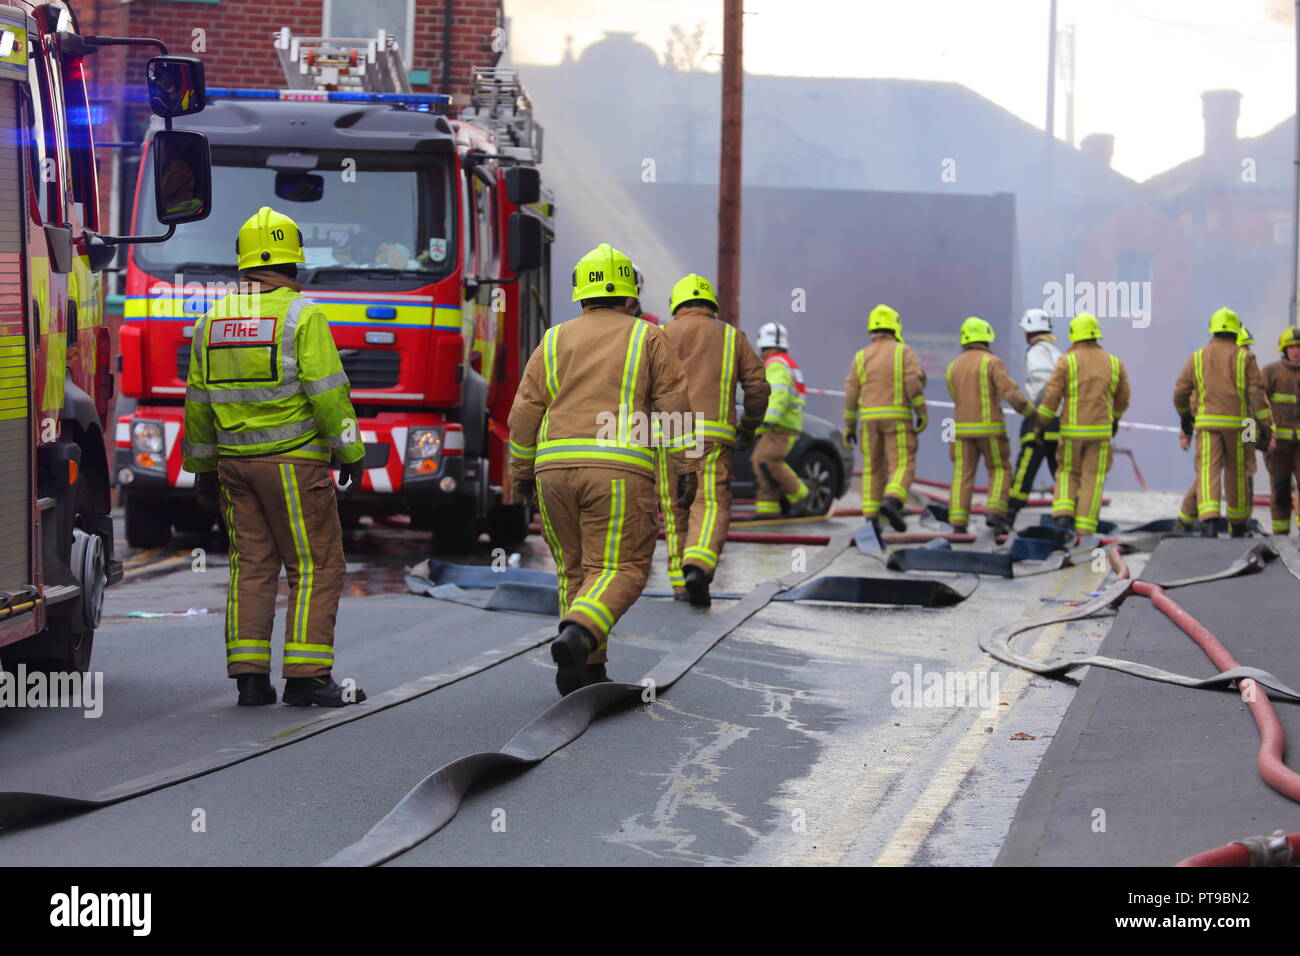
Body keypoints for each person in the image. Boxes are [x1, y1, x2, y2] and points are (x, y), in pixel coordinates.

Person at [182, 206, 368, 707]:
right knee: (315, 565)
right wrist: (350, 451)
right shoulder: (301, 314)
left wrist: (202, 471)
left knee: (253, 564)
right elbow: (329, 393)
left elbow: (197, 403)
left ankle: (250, 677)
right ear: (294, 263)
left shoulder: (211, 320)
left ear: (241, 263)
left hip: (232, 468)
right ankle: (307, 677)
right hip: (293, 463)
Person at [507, 243, 700, 696]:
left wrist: (519, 474)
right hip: (617, 471)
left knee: (575, 570)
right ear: (630, 293)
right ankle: (577, 634)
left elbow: (524, 413)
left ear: (581, 292)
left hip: (552, 471)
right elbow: (673, 403)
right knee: (623, 567)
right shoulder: (648, 337)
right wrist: (686, 464)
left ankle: (584, 670)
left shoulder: (553, 339)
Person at [656, 273, 768, 606]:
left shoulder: (659, 334)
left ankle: (679, 583)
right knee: (709, 502)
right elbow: (758, 387)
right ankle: (699, 565)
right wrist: (748, 427)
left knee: (675, 505)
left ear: (677, 306)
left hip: (667, 436)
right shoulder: (731, 336)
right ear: (712, 306)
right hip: (713, 438)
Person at [1172, 307, 1271, 537]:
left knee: (1210, 471)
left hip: (1212, 425)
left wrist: (1185, 417)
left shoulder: (1198, 357)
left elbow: (1181, 392)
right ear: (1236, 333)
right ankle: (1236, 523)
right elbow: (1257, 394)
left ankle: (1211, 522)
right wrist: (1265, 426)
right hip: (1238, 425)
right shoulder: (1245, 358)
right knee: (1237, 471)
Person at [1033, 312, 1130, 537]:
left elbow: (1052, 397)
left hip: (1071, 433)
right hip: (1100, 434)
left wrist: (1041, 424)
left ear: (1074, 335)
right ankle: (1085, 532)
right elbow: (1123, 398)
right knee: (1092, 479)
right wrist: (1114, 419)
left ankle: (1063, 517)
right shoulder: (1114, 363)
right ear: (1097, 335)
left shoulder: (1067, 361)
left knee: (1067, 472)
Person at [943, 317, 1036, 534]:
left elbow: (955, 397)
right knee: (999, 469)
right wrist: (1031, 413)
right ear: (986, 338)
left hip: (961, 430)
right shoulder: (992, 362)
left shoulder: (952, 367)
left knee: (961, 473)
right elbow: (1010, 392)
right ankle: (994, 513)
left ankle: (957, 521)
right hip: (990, 430)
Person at [842, 304, 927, 532]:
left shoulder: (860, 357)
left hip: (868, 422)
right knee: (902, 463)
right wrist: (921, 413)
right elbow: (913, 383)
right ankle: (892, 501)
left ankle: (871, 518)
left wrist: (849, 426)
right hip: (897, 419)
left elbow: (851, 393)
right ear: (895, 327)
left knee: (872, 468)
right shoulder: (903, 351)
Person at [1006, 308, 1062, 527]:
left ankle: (1010, 513)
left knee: (1026, 466)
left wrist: (1034, 410)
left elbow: (1042, 383)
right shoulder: (1055, 351)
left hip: (1042, 418)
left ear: (1029, 331)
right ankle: (1067, 516)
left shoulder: (1037, 351)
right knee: (1059, 470)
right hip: (1058, 419)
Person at [752, 322, 810, 518]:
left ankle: (800, 495)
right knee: (760, 461)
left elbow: (778, 394)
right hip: (784, 424)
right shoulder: (785, 362)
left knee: (769, 460)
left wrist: (768, 419)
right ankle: (768, 508)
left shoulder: (776, 364)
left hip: (780, 425)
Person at [1263, 326, 1300, 535]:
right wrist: (1253, 440)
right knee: (1280, 490)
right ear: (1284, 350)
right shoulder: (1271, 373)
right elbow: (1255, 406)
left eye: (1299, 347)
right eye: (1292, 347)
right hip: (1278, 447)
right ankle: (1280, 537)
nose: (1296, 351)